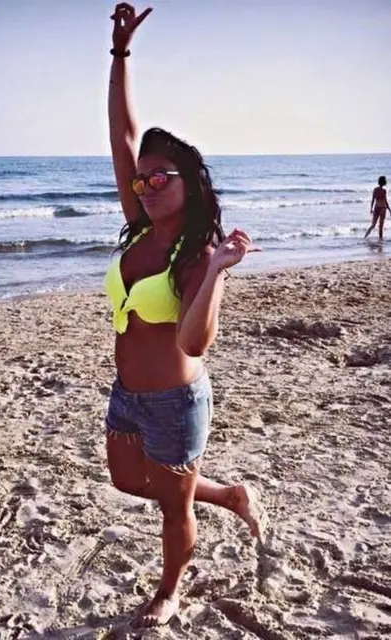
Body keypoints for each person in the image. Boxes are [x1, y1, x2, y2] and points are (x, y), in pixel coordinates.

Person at [104, 3, 266, 628]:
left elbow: (195, 343)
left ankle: (169, 591)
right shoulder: (140, 225)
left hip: (175, 401)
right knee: (127, 480)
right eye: (140, 180)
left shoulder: (196, 253)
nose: (145, 186)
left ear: (190, 183)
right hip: (127, 393)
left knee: (174, 508)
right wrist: (120, 54)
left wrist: (218, 271)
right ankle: (229, 493)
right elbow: (122, 135)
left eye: (159, 178)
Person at [364, 176, 391, 241]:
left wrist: (371, 208)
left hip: (376, 208)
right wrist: (389, 210)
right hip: (382, 208)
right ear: (384, 182)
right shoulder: (384, 191)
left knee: (373, 225)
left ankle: (365, 237)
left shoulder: (375, 189)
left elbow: (373, 200)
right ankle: (380, 240)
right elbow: (385, 201)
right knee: (380, 227)